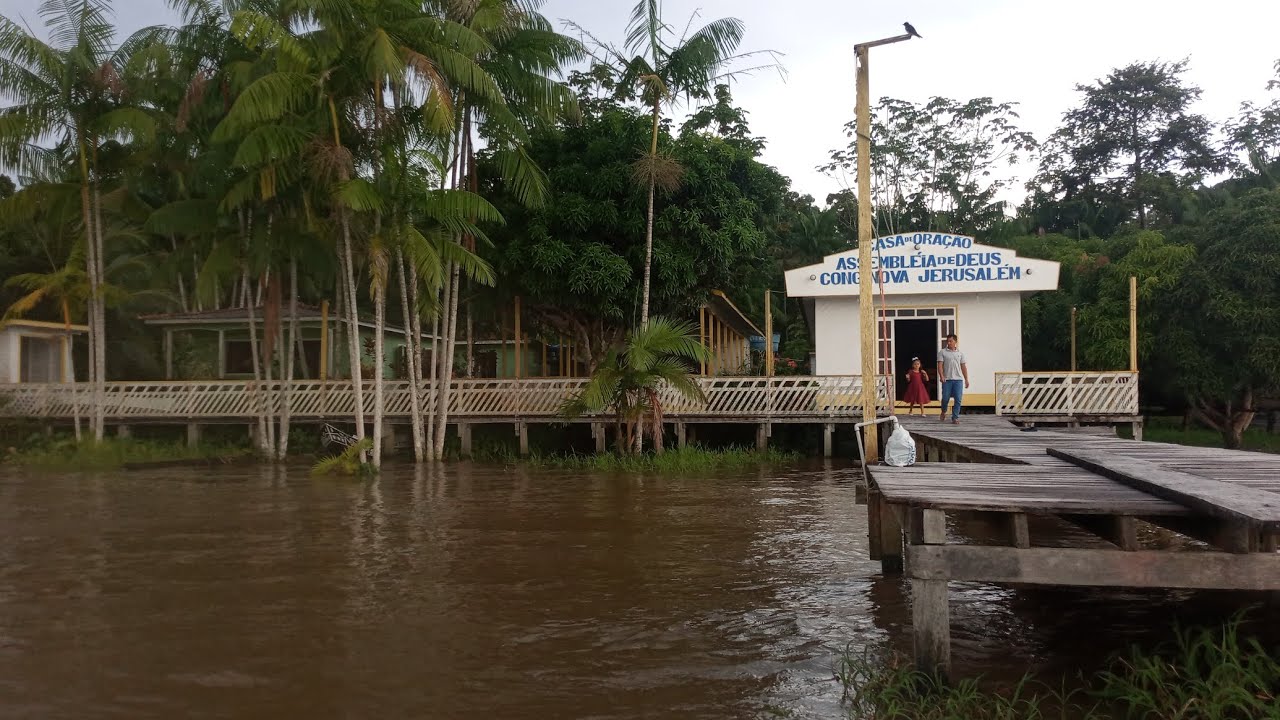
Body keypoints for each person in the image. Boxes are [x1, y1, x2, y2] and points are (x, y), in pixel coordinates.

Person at [936, 334, 969, 423]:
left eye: (951, 341)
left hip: (958, 380)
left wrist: (966, 379)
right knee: (945, 398)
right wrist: (941, 376)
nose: (949, 343)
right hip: (947, 379)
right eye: (948, 341)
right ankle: (943, 411)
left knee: (958, 399)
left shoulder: (960, 353)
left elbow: (963, 367)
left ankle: (955, 417)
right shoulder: (942, 352)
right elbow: (940, 365)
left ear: (955, 342)